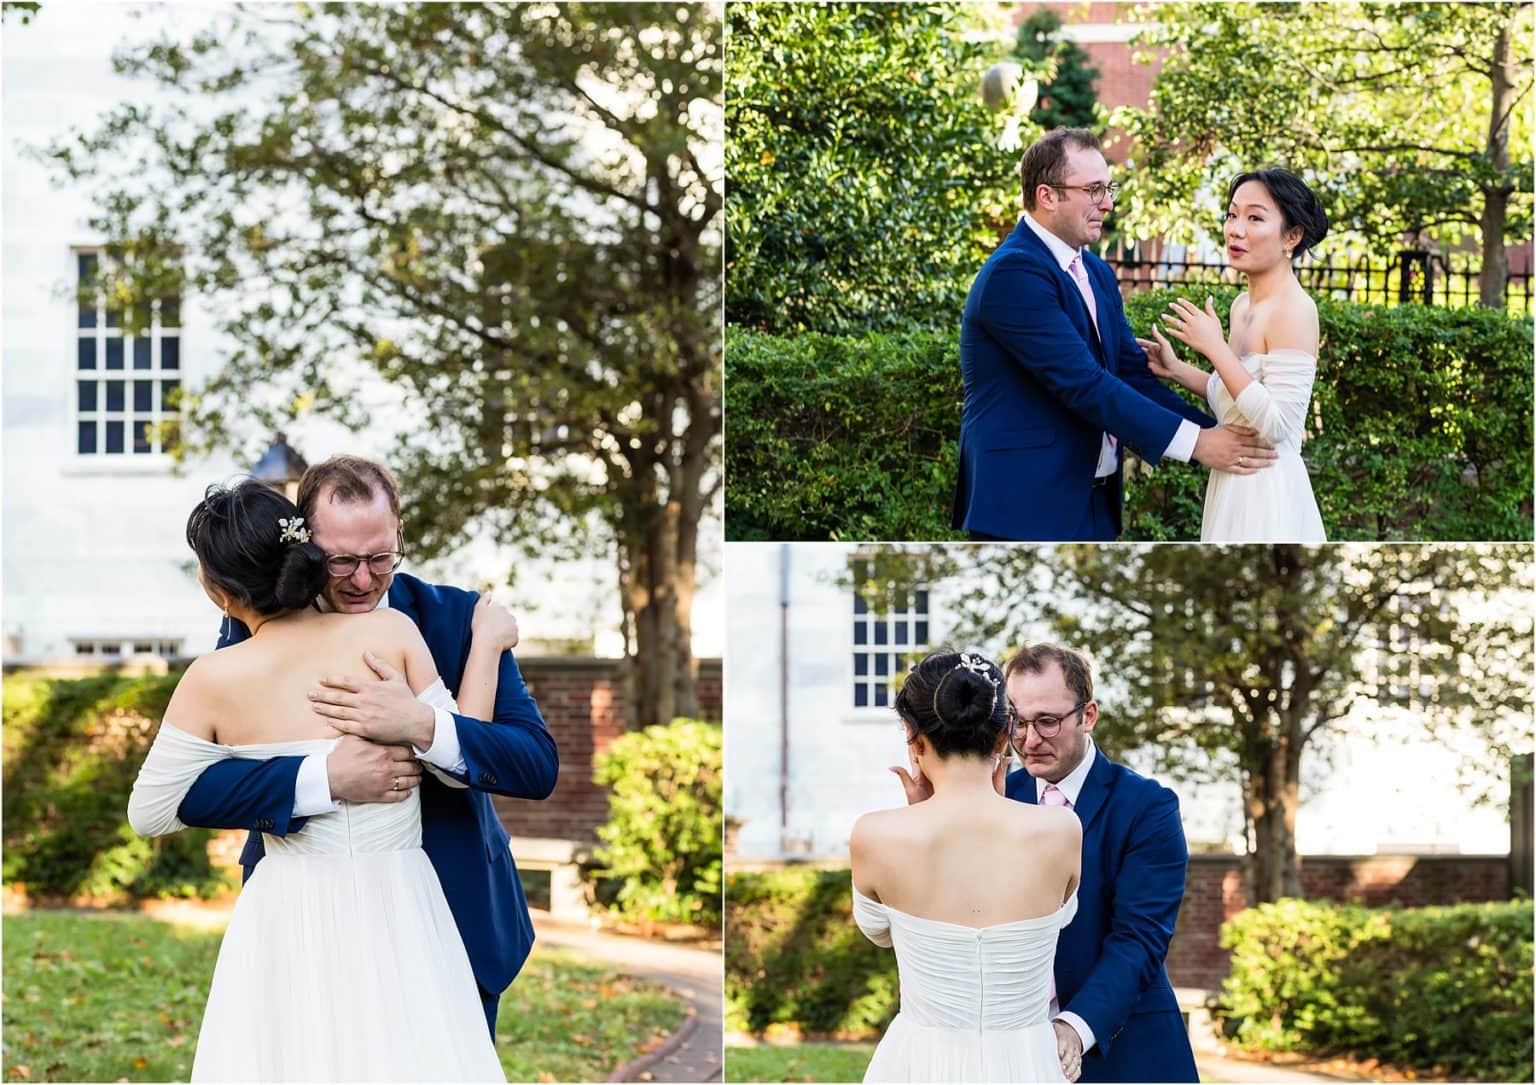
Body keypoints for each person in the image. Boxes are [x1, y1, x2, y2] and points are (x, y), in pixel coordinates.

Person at [128, 479, 505, 1080]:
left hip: (287, 907)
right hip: (400, 899)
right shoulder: (390, 634)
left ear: (219, 591)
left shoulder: (213, 679)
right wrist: (486, 645)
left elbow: (149, 811)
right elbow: (459, 767)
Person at [173, 455, 558, 1037]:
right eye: (341, 561)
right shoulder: (255, 623)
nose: (362, 580)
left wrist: (422, 725)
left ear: (399, 531)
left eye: (381, 558)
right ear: (304, 544)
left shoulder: (460, 619)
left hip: (456, 914)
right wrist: (324, 778)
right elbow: (196, 787)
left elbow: (535, 763)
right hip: (304, 924)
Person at [954, 127, 1278, 541]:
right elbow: (1083, 383)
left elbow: (1130, 374)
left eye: (1108, 189)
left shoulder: (1096, 272)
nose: (1107, 203)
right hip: (1024, 504)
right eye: (1093, 190)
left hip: (1094, 503)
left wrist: (1224, 435)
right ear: (1047, 196)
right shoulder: (1013, 273)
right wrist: (1198, 443)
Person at [854, 650, 1082, 1083]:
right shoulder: (1062, 829)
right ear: (1002, 740)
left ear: (914, 741)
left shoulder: (874, 835)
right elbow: (1059, 917)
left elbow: (880, 933)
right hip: (1027, 1063)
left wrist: (920, 818)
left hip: (920, 1063)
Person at [1002, 644, 1197, 1083]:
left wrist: (1075, 1027)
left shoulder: (1148, 807)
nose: (1029, 740)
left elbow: (1140, 937)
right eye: (1017, 721)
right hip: (1011, 1054)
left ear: (1088, 715)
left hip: (1126, 1055)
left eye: (1047, 721)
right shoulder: (997, 800)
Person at [1137, 168, 1329, 541]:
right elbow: (1238, 400)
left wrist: (1215, 347)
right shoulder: (1242, 305)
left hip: (1267, 490)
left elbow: (1277, 425)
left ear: (1292, 236)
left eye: (1255, 218)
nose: (1235, 230)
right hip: (1231, 482)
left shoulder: (1295, 310)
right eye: (1232, 215)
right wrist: (1178, 370)